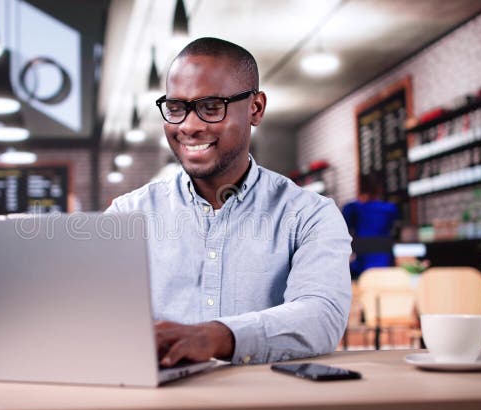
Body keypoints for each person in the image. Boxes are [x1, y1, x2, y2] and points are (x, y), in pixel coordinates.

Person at [107, 37, 352, 366]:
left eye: (211, 107)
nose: (190, 126)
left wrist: (214, 337)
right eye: (177, 108)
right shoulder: (127, 215)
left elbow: (321, 318)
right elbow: (97, 318)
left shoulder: (310, 215)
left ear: (256, 108)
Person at [342, 174, 400, 279]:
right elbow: (393, 227)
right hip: (384, 256)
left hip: (363, 258)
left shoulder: (353, 208)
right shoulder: (390, 208)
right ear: (379, 189)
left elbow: (345, 228)